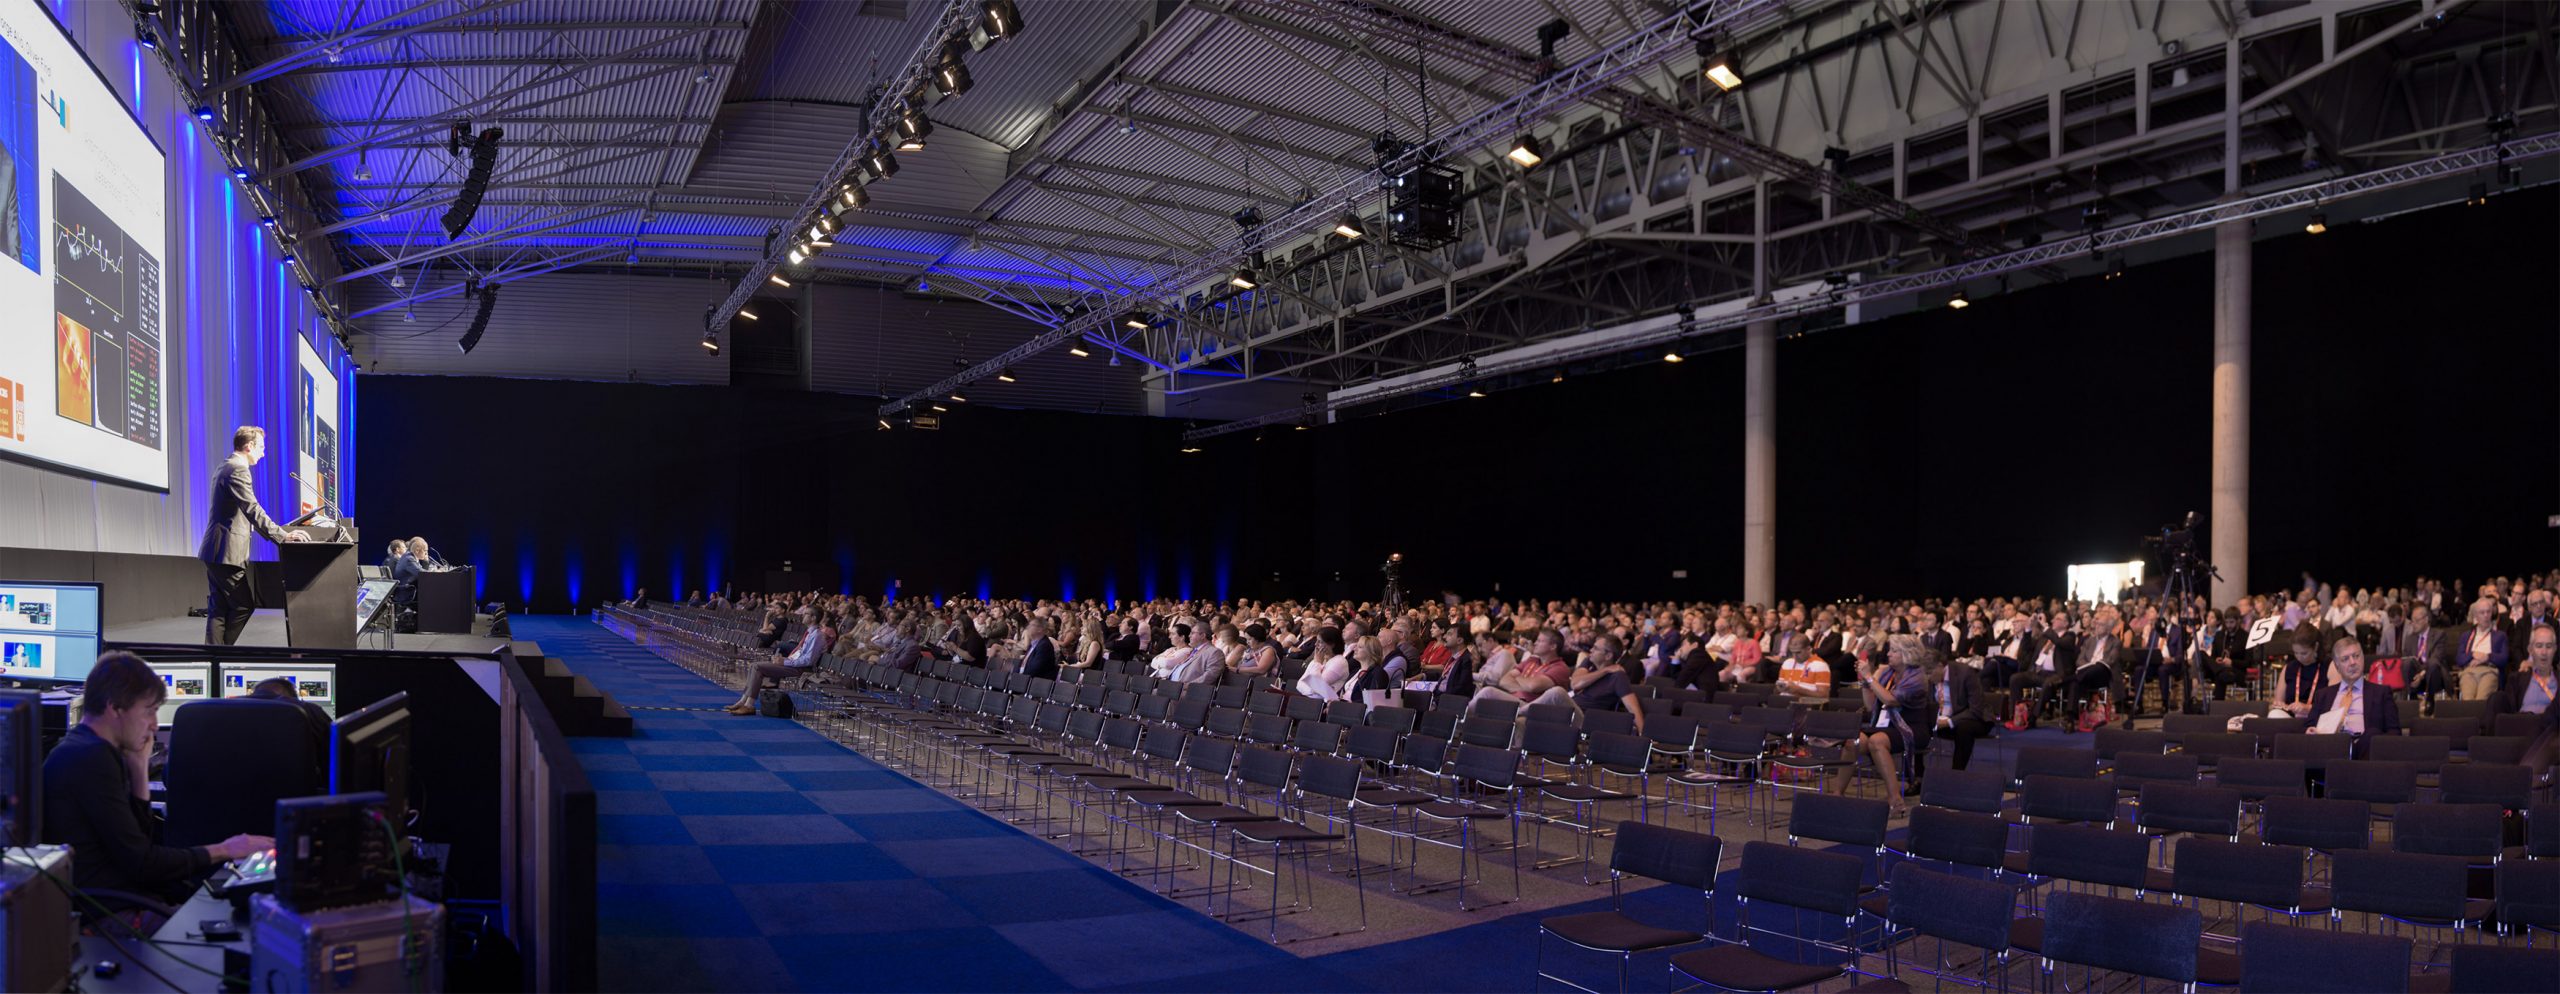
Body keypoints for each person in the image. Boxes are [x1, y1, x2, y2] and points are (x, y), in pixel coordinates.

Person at [43, 652, 272, 908]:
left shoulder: (85, 748)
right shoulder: (91, 758)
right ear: (115, 708)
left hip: (118, 898)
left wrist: (139, 767)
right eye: (149, 711)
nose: (154, 724)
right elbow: (144, 863)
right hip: (106, 913)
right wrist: (225, 849)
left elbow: (140, 845)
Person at [198, 426, 309, 644]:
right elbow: (252, 510)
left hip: (216, 550)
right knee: (243, 606)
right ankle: (222, 652)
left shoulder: (225, 465)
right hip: (226, 552)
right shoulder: (238, 469)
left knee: (218, 609)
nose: (263, 453)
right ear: (249, 446)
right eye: (261, 447)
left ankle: (213, 655)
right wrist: (282, 536)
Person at [2307, 635, 2399, 757]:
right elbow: (2308, 728)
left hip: (2364, 748)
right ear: (2337, 666)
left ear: (2363, 658)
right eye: (2345, 659)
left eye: (2356, 656)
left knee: (2372, 733)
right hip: (2330, 747)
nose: (2353, 662)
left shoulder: (2381, 693)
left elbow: (2394, 733)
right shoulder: (2323, 695)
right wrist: (2310, 731)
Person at [727, 612, 831, 714]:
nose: (802, 615)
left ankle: (749, 705)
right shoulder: (810, 633)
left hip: (803, 669)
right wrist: (784, 659)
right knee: (754, 665)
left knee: (757, 667)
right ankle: (743, 702)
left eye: (806, 614)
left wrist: (785, 662)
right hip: (795, 665)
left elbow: (808, 660)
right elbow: (800, 654)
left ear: (813, 617)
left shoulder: (817, 635)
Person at [1918, 651, 1996, 777]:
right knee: (1918, 726)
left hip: (1976, 718)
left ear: (1939, 665)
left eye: (1929, 673)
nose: (1927, 677)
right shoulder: (1931, 681)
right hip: (1944, 719)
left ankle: (1956, 775)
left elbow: (1975, 710)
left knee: (1964, 729)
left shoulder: (1965, 673)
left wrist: (1948, 722)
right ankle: (1918, 776)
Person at [246, 677, 333, 783]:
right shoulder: (310, 710)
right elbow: (335, 754)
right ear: (293, 698)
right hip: (297, 789)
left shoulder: (228, 708)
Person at [2455, 598, 2509, 701]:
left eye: (2488, 612)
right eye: (2482, 612)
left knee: (2481, 699)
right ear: (2475, 615)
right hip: (2469, 671)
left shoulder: (2500, 635)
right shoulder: (2466, 636)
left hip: (2489, 670)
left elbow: (2504, 659)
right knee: (2467, 700)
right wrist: (2473, 654)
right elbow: (2459, 660)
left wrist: (2487, 657)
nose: (2486, 615)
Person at [2503, 623, 2555, 716]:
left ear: (2555, 649)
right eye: (2539, 646)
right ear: (2530, 650)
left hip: (2552, 724)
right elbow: (2508, 717)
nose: (2544, 652)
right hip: (2523, 723)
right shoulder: (2516, 680)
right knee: (2496, 699)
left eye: (2548, 646)